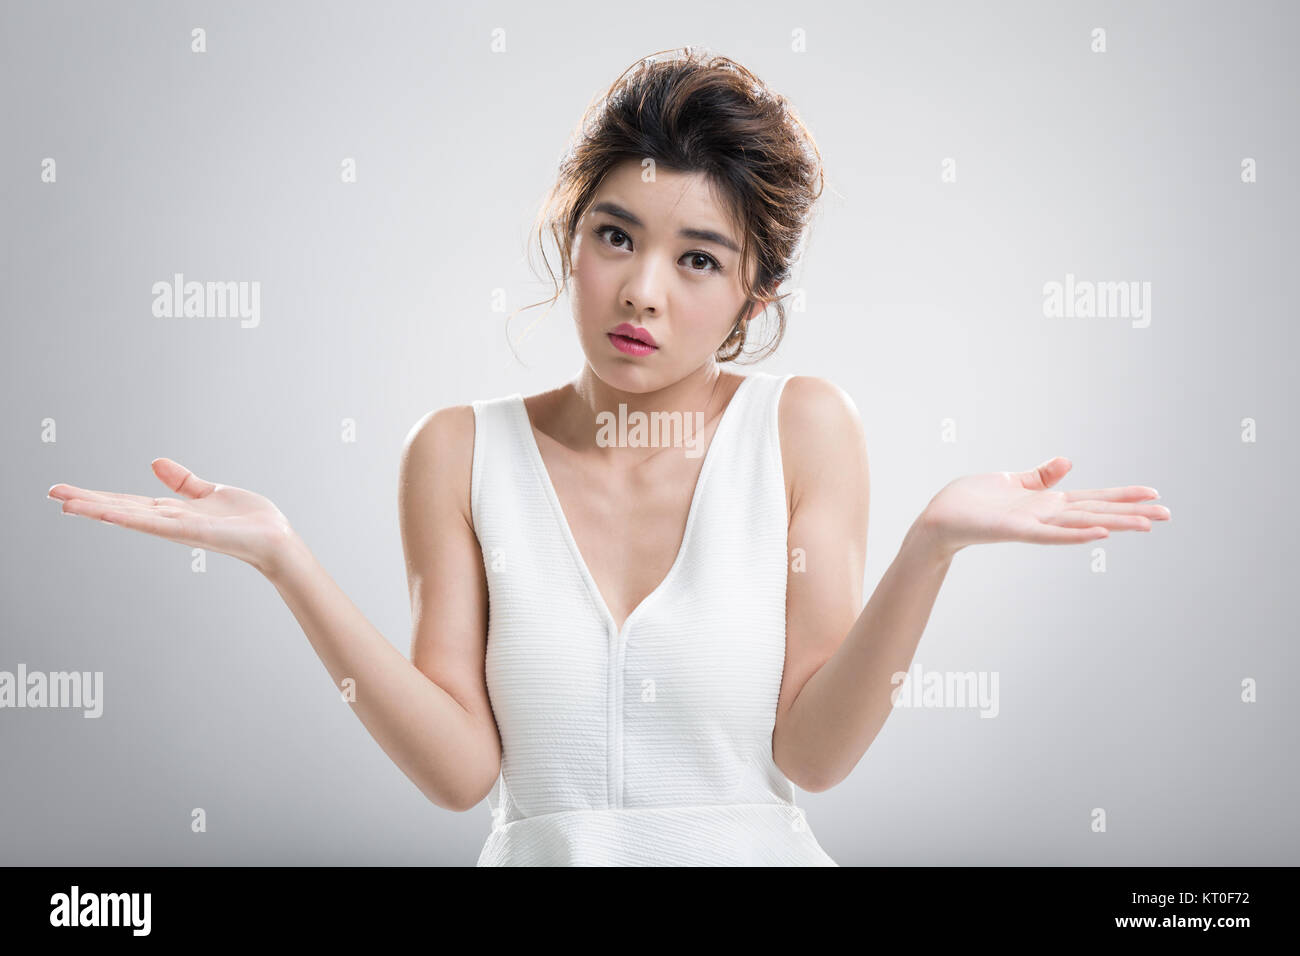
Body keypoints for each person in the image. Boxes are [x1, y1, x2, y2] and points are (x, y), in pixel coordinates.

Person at [46, 47, 1170, 866]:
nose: (641, 290)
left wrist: (932, 546)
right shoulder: (457, 451)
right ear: (571, 235)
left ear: (748, 297)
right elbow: (460, 774)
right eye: (616, 236)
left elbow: (816, 753)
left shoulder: (801, 427)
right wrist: (284, 557)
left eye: (697, 259)